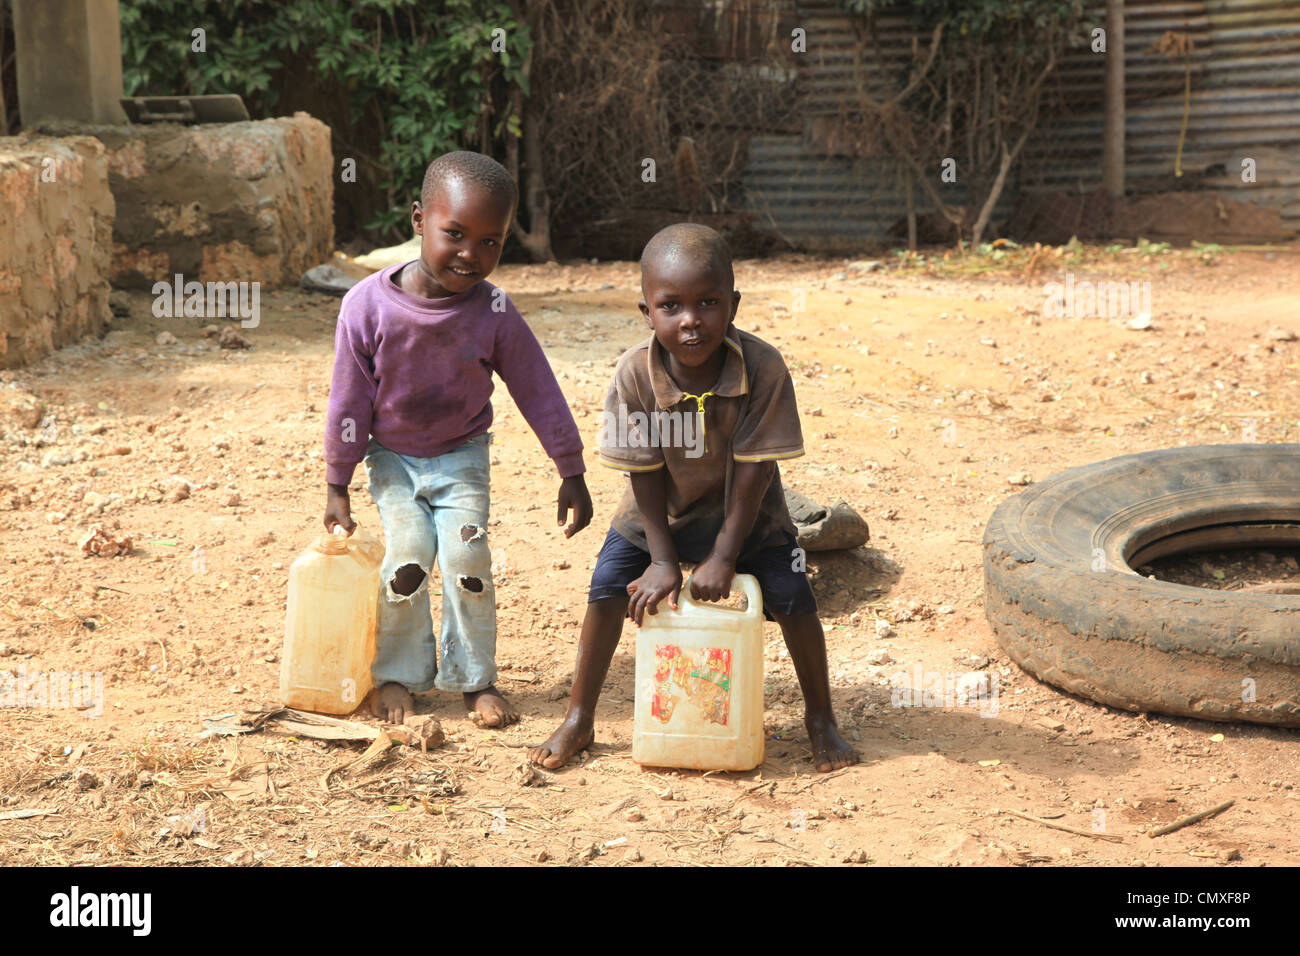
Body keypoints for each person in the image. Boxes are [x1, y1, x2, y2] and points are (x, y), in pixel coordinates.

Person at [528, 223, 858, 772]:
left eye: (708, 303)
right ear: (646, 311)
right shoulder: (635, 373)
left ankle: (821, 719)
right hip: (655, 519)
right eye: (670, 305)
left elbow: (756, 471)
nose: (690, 320)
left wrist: (726, 555)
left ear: (733, 303)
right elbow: (644, 473)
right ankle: (579, 718)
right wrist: (661, 559)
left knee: (794, 596)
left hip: (747, 520)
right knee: (608, 588)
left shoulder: (763, 367)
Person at [323, 151, 592, 727]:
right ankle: (398, 675)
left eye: (491, 242)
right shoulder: (366, 306)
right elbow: (347, 403)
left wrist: (570, 467)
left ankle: (474, 678)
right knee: (408, 559)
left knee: (468, 558)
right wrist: (336, 483)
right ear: (419, 219)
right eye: (455, 234)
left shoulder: (492, 309)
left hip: (462, 456)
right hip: (393, 458)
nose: (472, 255)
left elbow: (537, 388)